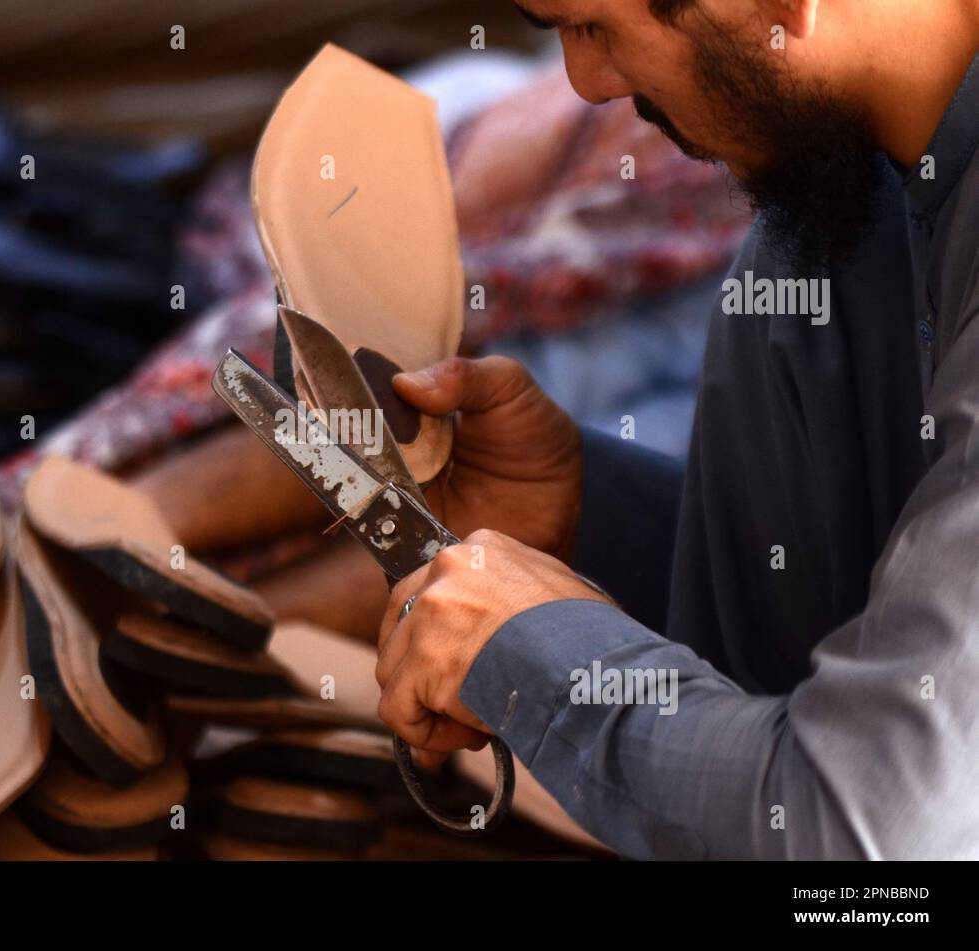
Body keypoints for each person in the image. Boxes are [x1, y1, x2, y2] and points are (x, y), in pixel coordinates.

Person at [371, 0, 979, 858]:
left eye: (591, 26)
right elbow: (843, 639)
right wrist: (587, 513)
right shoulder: (827, 241)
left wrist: (535, 655)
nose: (585, 84)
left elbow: (864, 838)